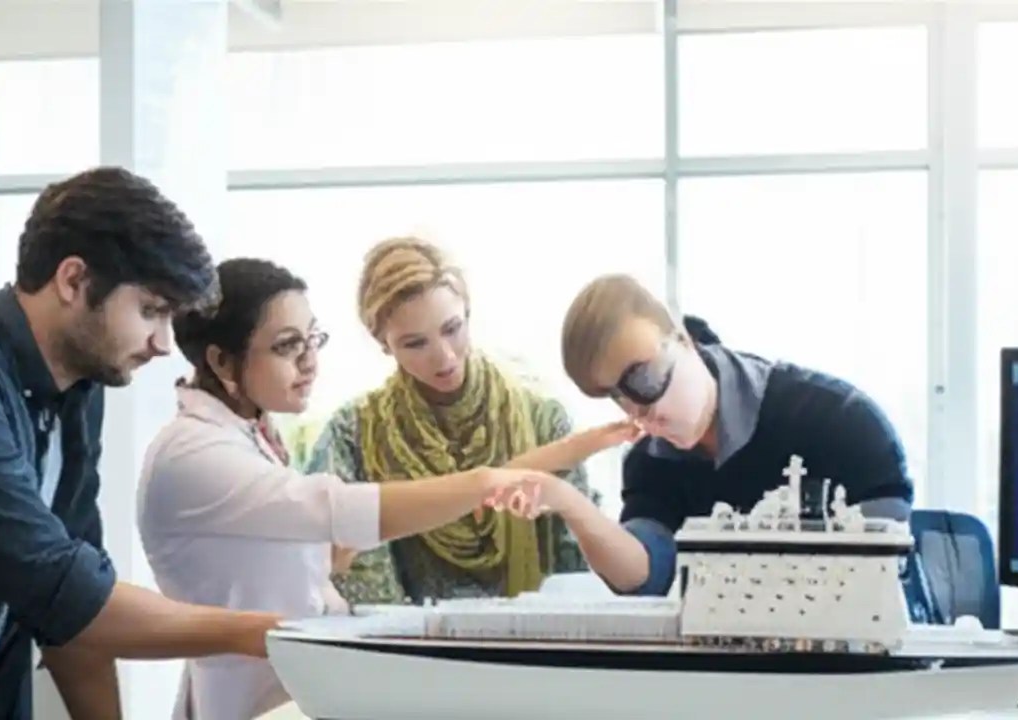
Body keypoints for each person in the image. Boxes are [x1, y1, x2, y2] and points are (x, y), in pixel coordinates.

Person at [0, 168, 282, 720]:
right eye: (150, 311)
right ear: (73, 280)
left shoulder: (80, 390)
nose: (164, 344)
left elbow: (73, 615)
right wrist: (264, 633)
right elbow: (58, 585)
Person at [138, 257, 555, 719]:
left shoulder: (251, 434)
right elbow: (341, 510)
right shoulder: (195, 454)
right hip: (257, 701)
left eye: (312, 339)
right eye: (286, 346)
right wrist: (483, 483)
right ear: (221, 361)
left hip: (295, 692)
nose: (310, 362)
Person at [525, 273, 916, 598]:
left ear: (682, 340)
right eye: (617, 397)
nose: (641, 411)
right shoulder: (650, 461)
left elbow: (882, 580)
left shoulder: (839, 423)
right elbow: (647, 572)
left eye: (645, 379)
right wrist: (570, 504)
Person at [305, 237, 635, 605]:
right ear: (383, 343)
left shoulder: (543, 420)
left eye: (452, 328)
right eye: (415, 344)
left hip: (532, 646)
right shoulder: (352, 435)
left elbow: (573, 578)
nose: (443, 357)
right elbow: (357, 586)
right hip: (404, 652)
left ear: (468, 312)